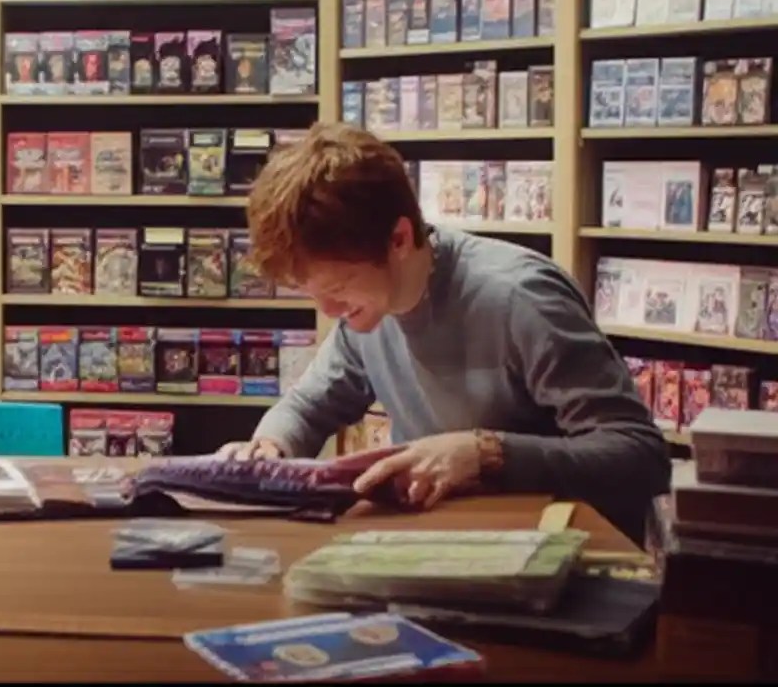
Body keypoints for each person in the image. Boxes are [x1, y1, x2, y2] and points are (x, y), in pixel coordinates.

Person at [217, 123, 670, 541]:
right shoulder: (365, 311)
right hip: (449, 545)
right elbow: (309, 405)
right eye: (311, 293)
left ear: (398, 239)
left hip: (560, 553)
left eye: (337, 288)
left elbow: (640, 457)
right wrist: (269, 447)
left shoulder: (521, 298)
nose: (328, 309)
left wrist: (485, 455)